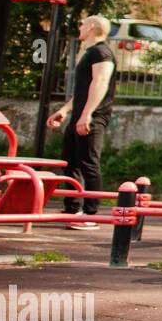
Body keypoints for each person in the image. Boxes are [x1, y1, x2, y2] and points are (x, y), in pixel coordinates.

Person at [46, 15, 116, 230]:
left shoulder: (101, 52)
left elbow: (101, 82)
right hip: (80, 113)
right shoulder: (90, 53)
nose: (79, 26)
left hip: (92, 116)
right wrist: (65, 110)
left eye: (82, 23)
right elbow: (84, 90)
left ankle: (90, 214)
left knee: (88, 163)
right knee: (70, 161)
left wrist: (87, 114)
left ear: (93, 27)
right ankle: (72, 208)